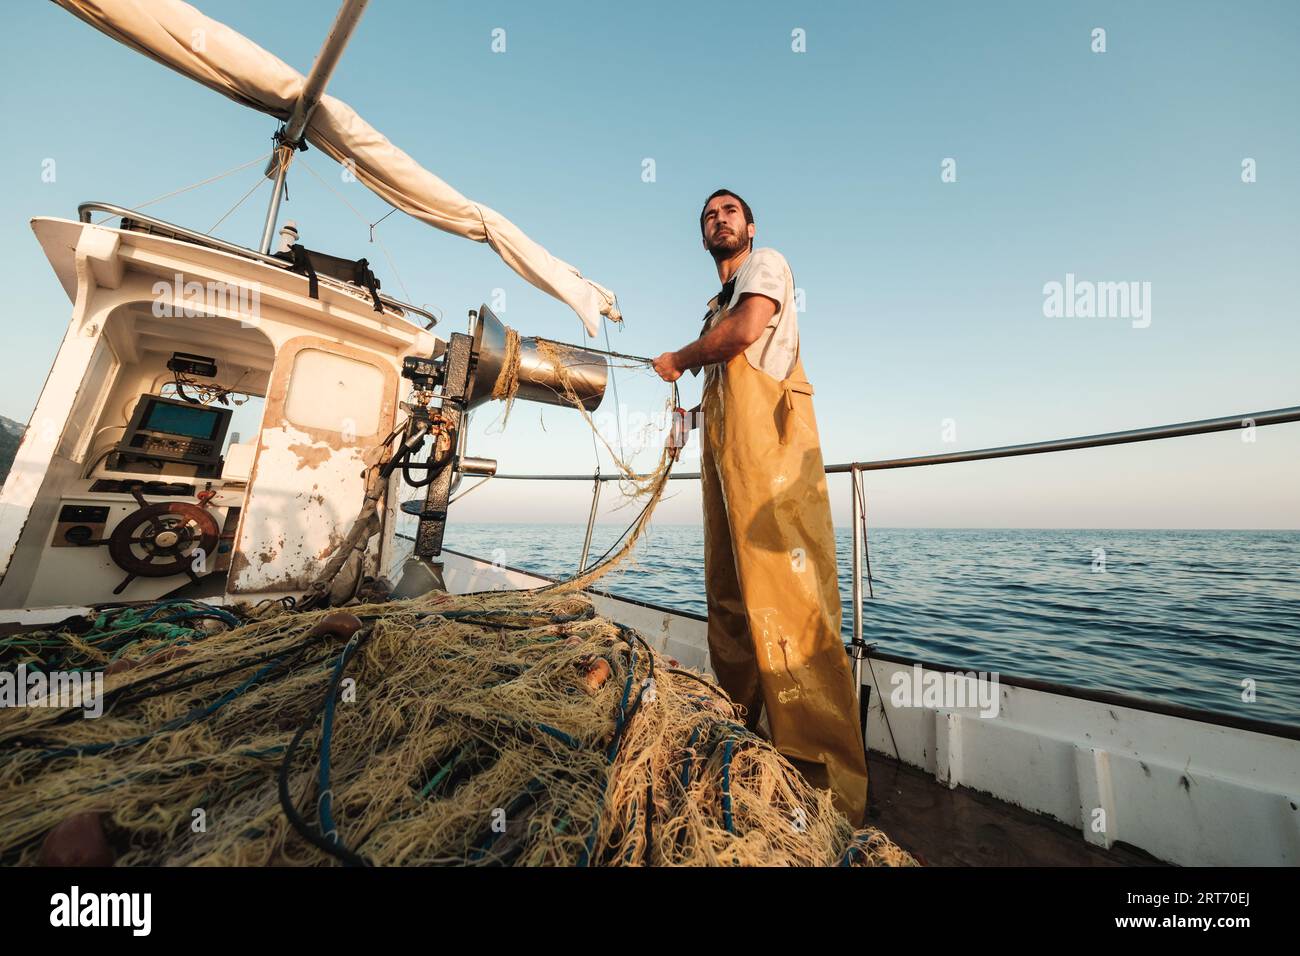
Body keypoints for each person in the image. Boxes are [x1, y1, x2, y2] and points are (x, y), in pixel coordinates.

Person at [651, 189, 869, 824]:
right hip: (724, 464)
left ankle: (822, 782)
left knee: (791, 601)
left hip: (770, 459)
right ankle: (745, 736)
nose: (719, 220)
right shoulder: (711, 309)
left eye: (729, 212)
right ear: (702, 237)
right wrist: (685, 420)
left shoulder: (763, 268)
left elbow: (745, 335)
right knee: (728, 597)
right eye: (708, 216)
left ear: (749, 226)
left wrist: (676, 360)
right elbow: (719, 375)